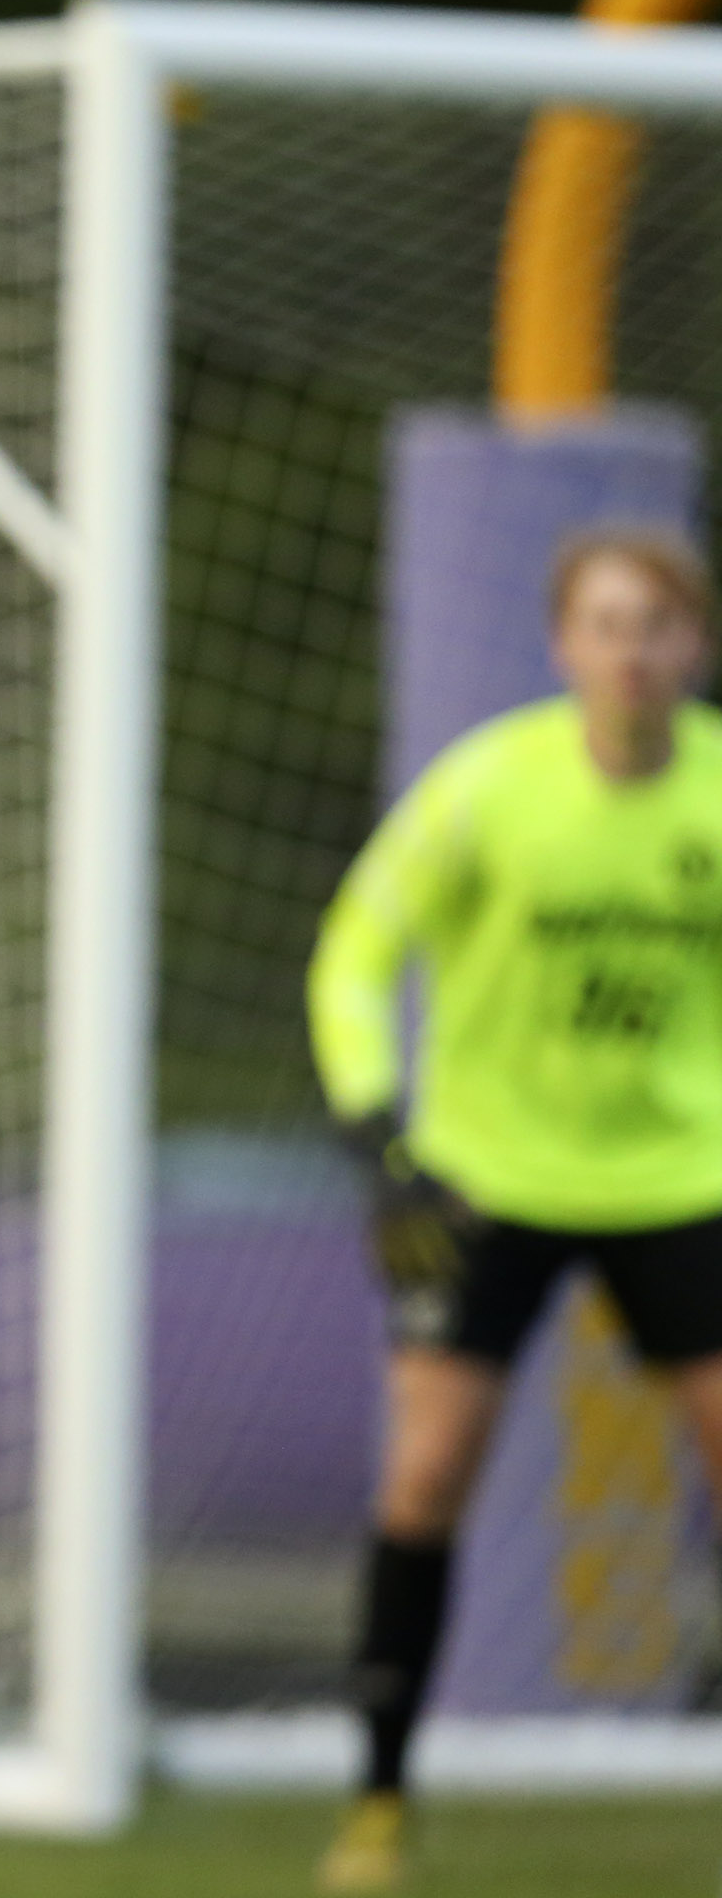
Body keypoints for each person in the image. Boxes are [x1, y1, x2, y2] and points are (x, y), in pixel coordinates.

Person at [307, 526, 722, 1893]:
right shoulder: (489, 786)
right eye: (606, 624)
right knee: (427, 1475)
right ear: (564, 645)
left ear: (694, 645)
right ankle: (375, 1807)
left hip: (680, 1180)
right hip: (487, 1176)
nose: (631, 652)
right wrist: (383, 1133)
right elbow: (356, 952)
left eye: (656, 625)